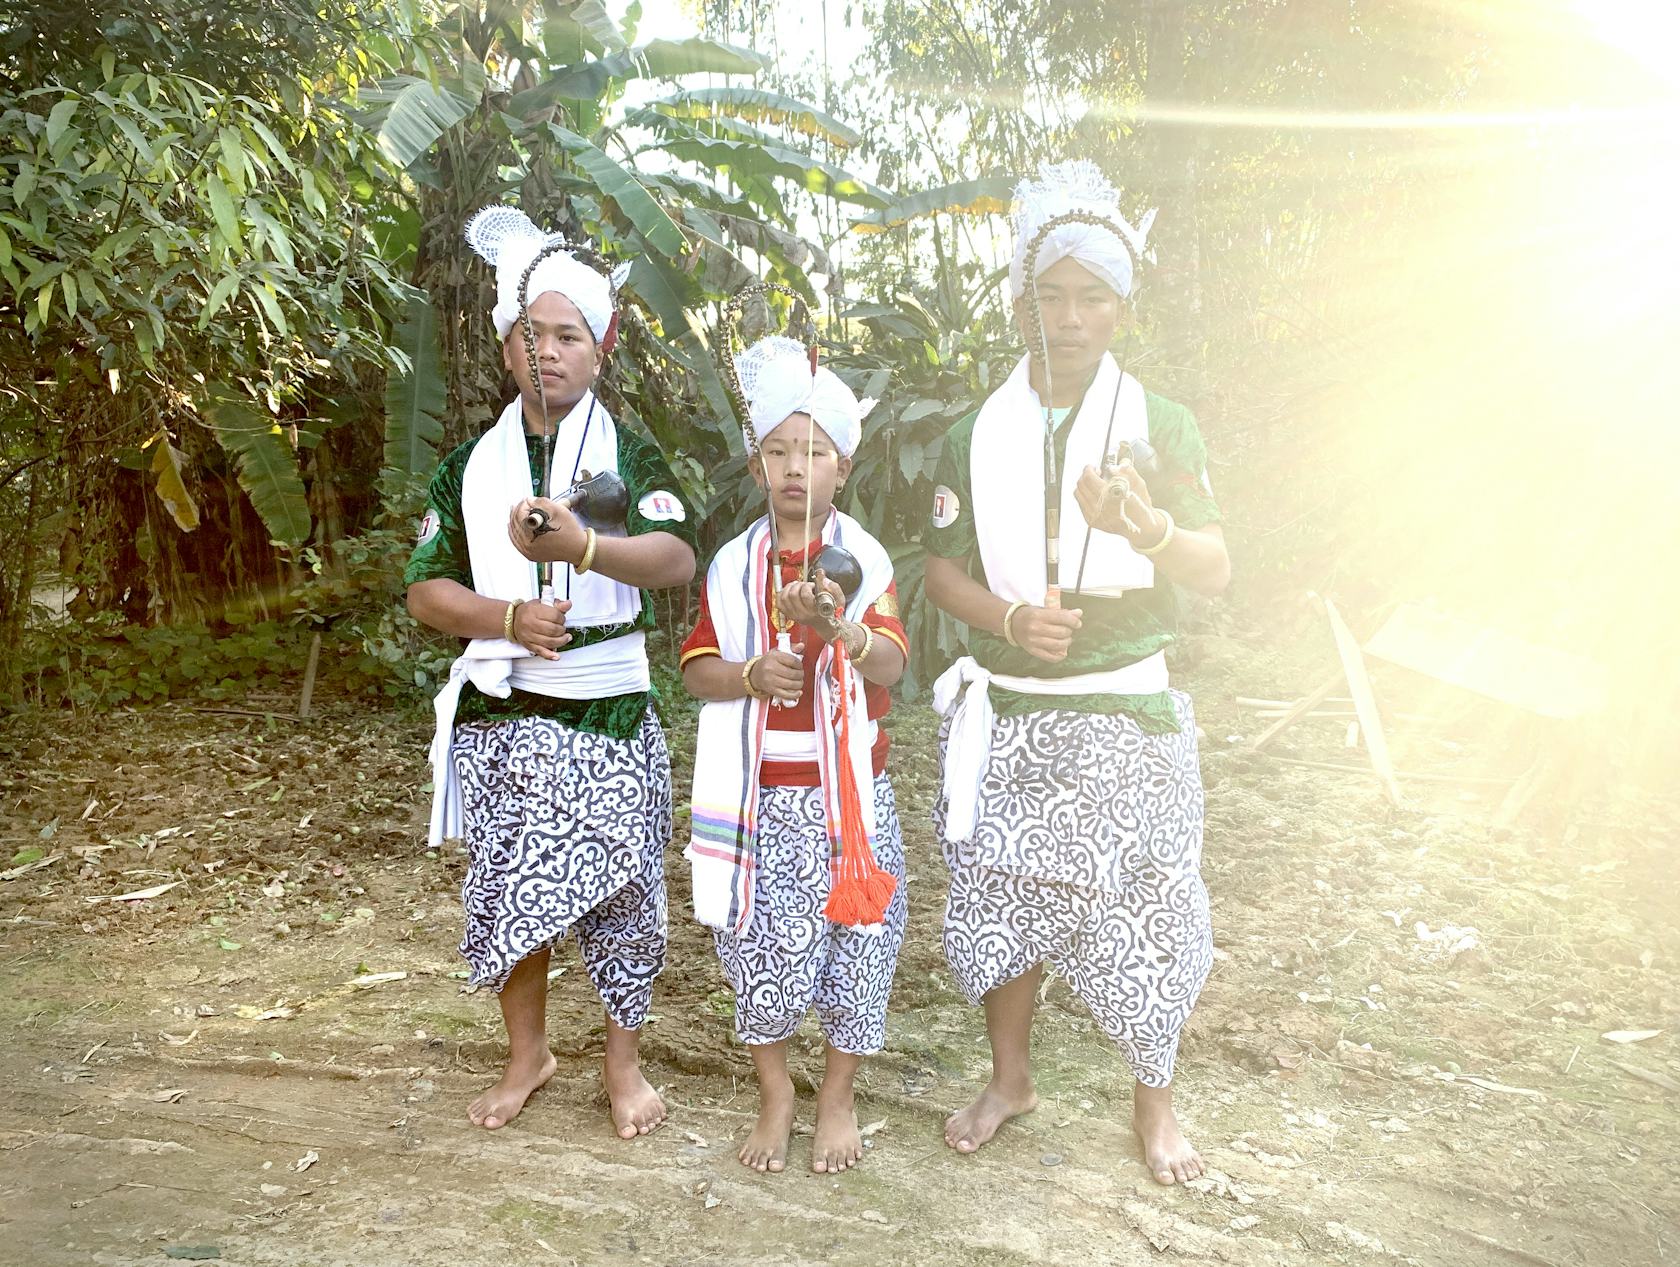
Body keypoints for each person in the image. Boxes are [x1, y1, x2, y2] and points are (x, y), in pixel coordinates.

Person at [923, 160, 1231, 1184]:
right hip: (1015, 707)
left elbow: (1215, 567)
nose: (1068, 316)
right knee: (1004, 896)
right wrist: (1008, 615)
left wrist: (1151, 527)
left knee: (1151, 907)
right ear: (1020, 302)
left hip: (1130, 705)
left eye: (1091, 295)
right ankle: (1010, 1077)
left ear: (1121, 307)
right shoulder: (976, 433)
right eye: (1049, 294)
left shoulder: (1160, 424)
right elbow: (938, 569)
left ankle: (1157, 1105)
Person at [405, 206, 697, 1139]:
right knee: (514, 889)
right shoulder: (469, 466)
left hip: (606, 705)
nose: (550, 351)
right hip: (504, 708)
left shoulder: (630, 451)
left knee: (621, 893)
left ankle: (623, 1062)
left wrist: (587, 548)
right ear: (507, 348)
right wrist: (504, 617)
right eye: (532, 333)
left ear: (600, 347)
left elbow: (676, 557)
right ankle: (528, 1053)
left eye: (570, 334)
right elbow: (424, 589)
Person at [681, 336, 910, 1175]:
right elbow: (699, 671)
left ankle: (838, 1092)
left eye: (813, 451)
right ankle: (776, 1090)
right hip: (763, 798)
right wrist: (750, 672)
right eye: (776, 449)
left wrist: (839, 630)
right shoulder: (731, 566)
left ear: (842, 468)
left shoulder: (864, 560)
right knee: (762, 949)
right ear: (755, 466)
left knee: (861, 943)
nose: (793, 466)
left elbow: (890, 661)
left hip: (849, 798)